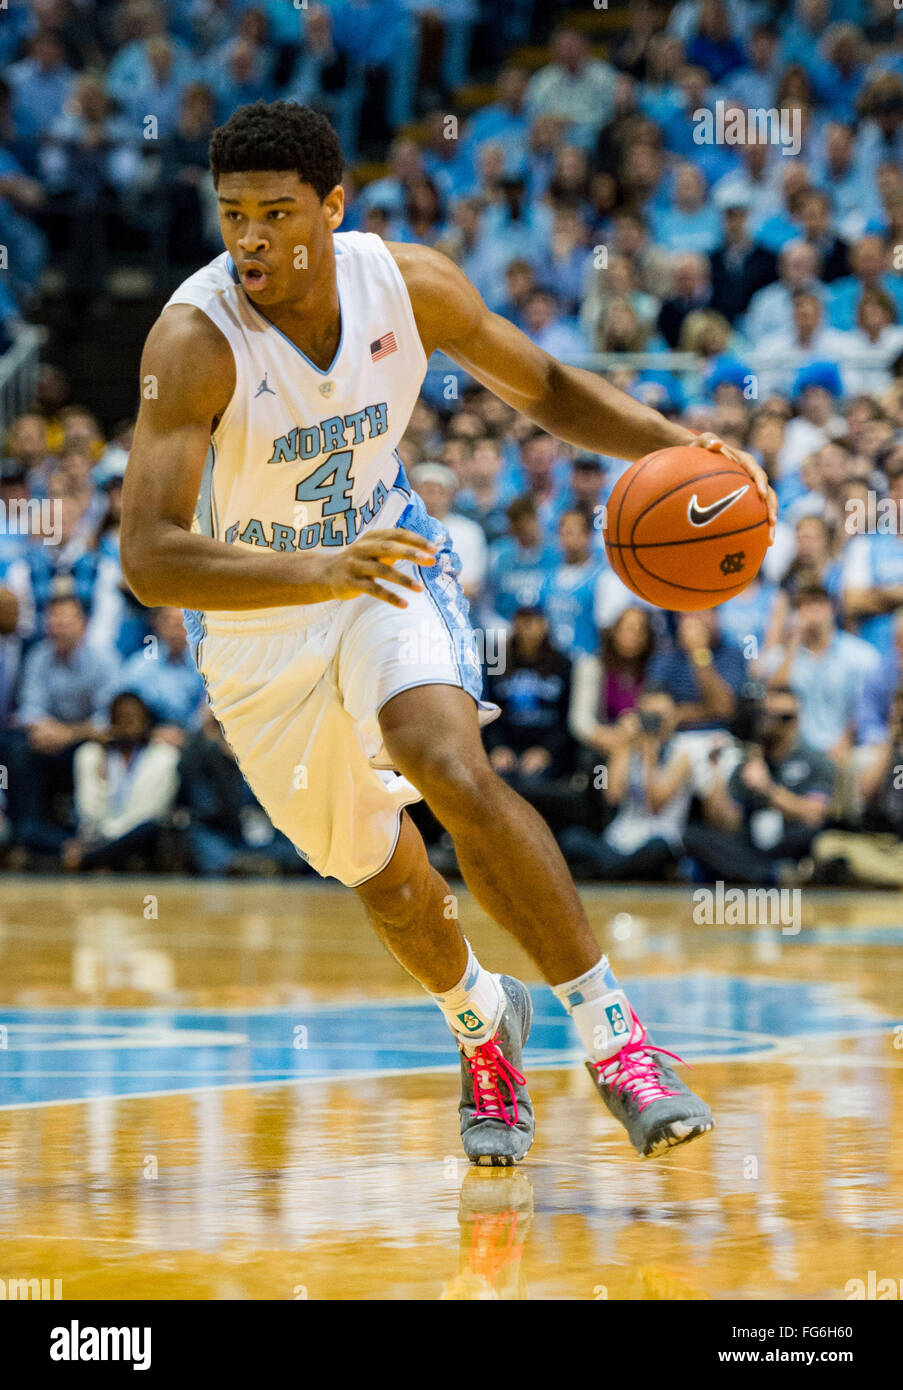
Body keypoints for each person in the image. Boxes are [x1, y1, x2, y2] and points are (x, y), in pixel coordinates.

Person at [121, 101, 775, 1164]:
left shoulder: (408, 284)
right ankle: (483, 1023)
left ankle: (618, 1042)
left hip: (389, 564)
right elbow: (149, 554)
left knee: (448, 762)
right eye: (232, 213)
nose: (250, 239)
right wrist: (315, 569)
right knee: (380, 874)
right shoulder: (193, 341)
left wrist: (672, 444)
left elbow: (547, 384)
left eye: (276, 213)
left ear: (334, 207)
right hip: (258, 621)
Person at [684, 685, 834, 886]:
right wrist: (715, 771)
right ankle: (772, 874)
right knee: (693, 835)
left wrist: (767, 788)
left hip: (791, 840)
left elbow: (814, 815)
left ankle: (756, 873)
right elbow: (728, 823)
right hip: (751, 843)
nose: (770, 723)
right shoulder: (748, 761)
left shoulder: (816, 761)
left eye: (783, 717)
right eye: (765, 715)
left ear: (797, 720)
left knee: (818, 838)